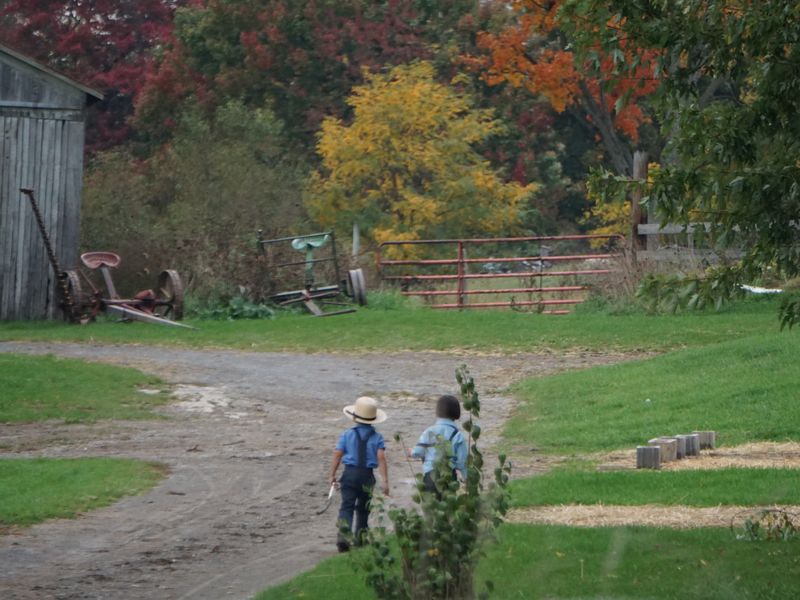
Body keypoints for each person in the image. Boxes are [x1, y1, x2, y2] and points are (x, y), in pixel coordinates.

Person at [328, 396, 389, 552]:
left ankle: (343, 537)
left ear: (354, 417)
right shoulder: (377, 437)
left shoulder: (347, 435)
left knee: (346, 506)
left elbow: (337, 454)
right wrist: (385, 481)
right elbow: (381, 458)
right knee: (363, 509)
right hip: (367, 476)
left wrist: (332, 474)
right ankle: (361, 538)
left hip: (349, 474)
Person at [409, 394, 467, 498]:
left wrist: (411, 452)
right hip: (449, 478)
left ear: (437, 412)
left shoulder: (429, 431)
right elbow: (462, 463)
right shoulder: (457, 435)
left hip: (430, 477)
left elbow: (417, 452)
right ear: (457, 413)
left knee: (431, 510)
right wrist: (467, 480)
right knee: (448, 510)